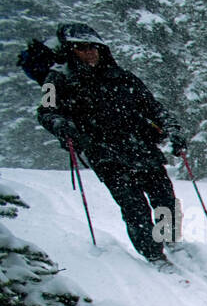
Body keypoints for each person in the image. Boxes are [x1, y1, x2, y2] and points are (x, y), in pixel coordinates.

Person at [34, 23, 188, 263]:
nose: (90, 52)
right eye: (82, 48)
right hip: (102, 151)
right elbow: (45, 112)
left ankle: (172, 240)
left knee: (164, 197)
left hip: (141, 145)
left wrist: (172, 129)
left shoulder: (123, 76)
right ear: (70, 51)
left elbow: (153, 106)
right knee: (134, 205)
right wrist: (63, 127)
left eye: (94, 47)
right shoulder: (55, 80)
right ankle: (153, 254)